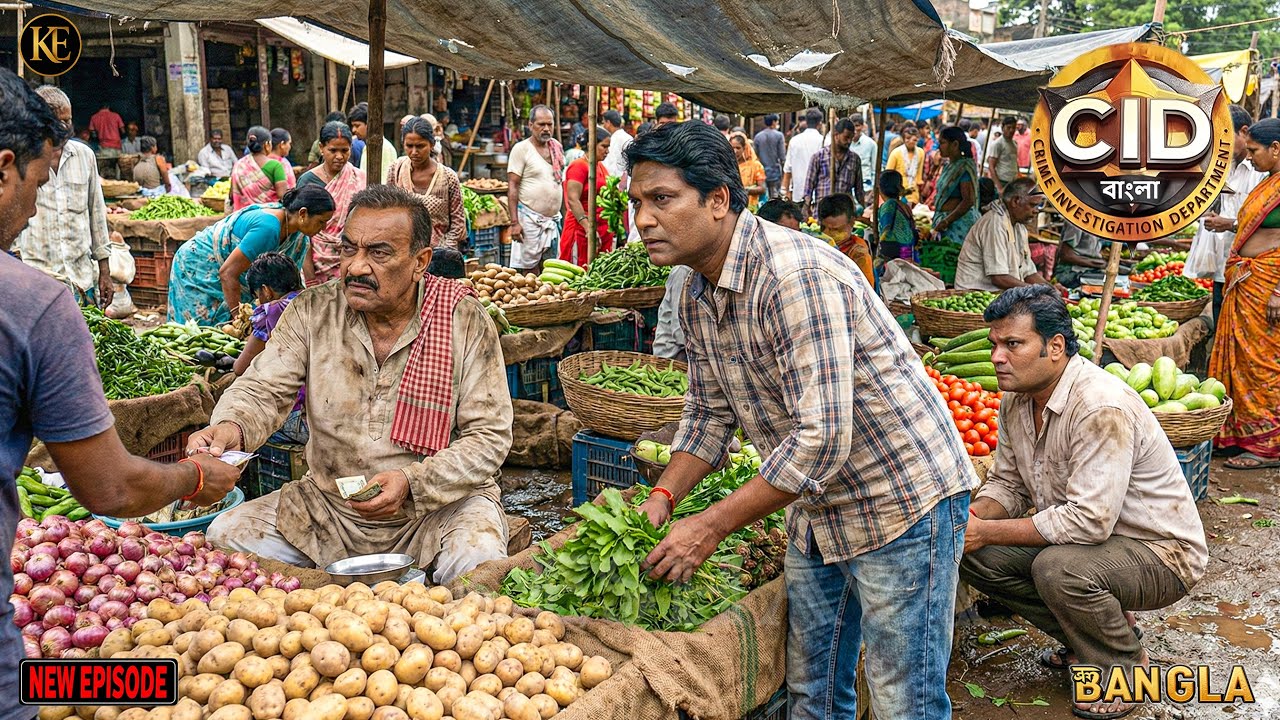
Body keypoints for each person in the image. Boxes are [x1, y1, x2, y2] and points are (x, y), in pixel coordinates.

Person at [628, 121, 977, 720]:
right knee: (812, 690)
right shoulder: (693, 287)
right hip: (815, 505)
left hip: (899, 498)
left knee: (904, 699)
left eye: (662, 199)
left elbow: (821, 441)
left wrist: (709, 527)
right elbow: (709, 415)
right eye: (638, 202)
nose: (643, 219)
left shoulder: (793, 277)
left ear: (717, 200)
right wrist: (663, 493)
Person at [0, 67, 238, 720]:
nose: (36, 208)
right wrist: (193, 476)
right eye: (37, 185)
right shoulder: (32, 305)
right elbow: (110, 490)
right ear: (3, 170)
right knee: (136, 686)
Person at [198, 185, 514, 584]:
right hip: (328, 508)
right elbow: (262, 388)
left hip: (436, 509)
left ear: (421, 262)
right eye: (349, 250)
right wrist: (230, 428)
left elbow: (489, 437)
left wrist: (413, 482)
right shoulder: (312, 311)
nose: (357, 267)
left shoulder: (462, 320)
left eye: (378, 253)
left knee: (477, 564)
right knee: (224, 536)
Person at [962, 285, 1206, 720]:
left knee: (1056, 569)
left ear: (1055, 347)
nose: (998, 356)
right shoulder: (1017, 400)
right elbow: (1009, 484)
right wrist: (971, 522)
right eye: (994, 344)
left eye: (1013, 344)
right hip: (1096, 546)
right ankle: (1089, 640)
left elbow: (1088, 522)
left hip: (1160, 553)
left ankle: (1124, 670)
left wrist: (986, 531)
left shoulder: (1098, 405)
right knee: (975, 556)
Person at [1209, 117, 1280, 470]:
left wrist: (1279, 291)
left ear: (1276, 149)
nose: (1249, 158)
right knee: (1242, 363)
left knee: (1262, 366)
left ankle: (1267, 445)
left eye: (1254, 151)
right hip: (1248, 281)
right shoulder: (1270, 182)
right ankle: (1238, 435)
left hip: (1269, 286)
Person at [168, 185, 334, 325]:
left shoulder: (298, 236)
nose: (324, 227)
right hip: (198, 266)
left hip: (227, 270)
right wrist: (239, 320)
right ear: (303, 214)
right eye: (321, 221)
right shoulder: (268, 229)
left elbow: (289, 283)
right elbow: (228, 273)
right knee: (198, 327)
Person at [13, 86, 113, 307]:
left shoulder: (84, 156)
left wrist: (104, 272)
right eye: (56, 121)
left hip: (81, 277)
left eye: (68, 120)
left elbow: (96, 214)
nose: (64, 127)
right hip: (36, 279)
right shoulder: (20, 160)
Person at [1188, 105, 1268, 318]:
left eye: (1225, 135)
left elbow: (1264, 223)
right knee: (1220, 322)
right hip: (1223, 266)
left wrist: (1229, 224)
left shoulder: (1262, 172)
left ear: (1243, 132)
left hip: (1251, 270)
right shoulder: (1222, 167)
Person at [233, 252, 309, 446]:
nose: (259, 300)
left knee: (249, 430)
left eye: (257, 295)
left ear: (266, 291)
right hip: (341, 414)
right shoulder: (317, 301)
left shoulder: (272, 311)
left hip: (306, 421)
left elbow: (240, 368)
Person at [298, 121, 368, 284]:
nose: (339, 156)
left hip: (353, 258)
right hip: (317, 261)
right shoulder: (308, 181)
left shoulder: (359, 178)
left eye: (344, 150)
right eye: (333, 150)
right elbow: (302, 233)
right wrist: (310, 277)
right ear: (321, 148)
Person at [954, 178, 1054, 291]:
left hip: (997, 295)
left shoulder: (1019, 228)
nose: (1036, 211)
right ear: (1015, 201)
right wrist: (1038, 291)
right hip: (974, 294)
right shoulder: (995, 223)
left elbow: (1028, 273)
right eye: (1032, 205)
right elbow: (999, 278)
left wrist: (1051, 289)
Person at [386, 117, 467, 250]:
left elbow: (458, 222)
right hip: (402, 251)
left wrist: (443, 249)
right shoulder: (396, 170)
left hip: (439, 253)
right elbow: (388, 211)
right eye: (409, 146)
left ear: (431, 144)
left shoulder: (448, 177)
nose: (414, 152)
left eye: (420, 146)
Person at [507, 105, 565, 273]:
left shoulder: (556, 148)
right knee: (529, 271)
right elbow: (513, 186)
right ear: (530, 125)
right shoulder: (521, 149)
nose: (546, 128)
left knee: (552, 270)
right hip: (529, 220)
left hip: (552, 220)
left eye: (550, 124)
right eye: (541, 124)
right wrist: (514, 223)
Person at [560, 126, 619, 266]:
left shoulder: (600, 166)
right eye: (604, 146)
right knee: (580, 269)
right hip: (581, 229)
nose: (607, 151)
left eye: (608, 147)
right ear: (591, 144)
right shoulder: (578, 166)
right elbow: (573, 199)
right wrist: (588, 228)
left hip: (601, 228)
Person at [803, 118, 864, 216]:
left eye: (851, 138)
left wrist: (862, 208)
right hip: (822, 213)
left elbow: (859, 190)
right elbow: (808, 187)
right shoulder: (819, 157)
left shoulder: (855, 159)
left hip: (844, 213)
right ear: (836, 135)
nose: (849, 141)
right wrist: (806, 207)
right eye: (846, 137)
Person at [931, 125, 981, 247]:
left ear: (955, 144)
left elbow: (968, 200)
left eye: (942, 143)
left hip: (958, 224)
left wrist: (947, 221)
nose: (939, 147)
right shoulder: (949, 166)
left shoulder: (964, 167)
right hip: (945, 222)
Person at [229, 126, 288, 211]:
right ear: (267, 145)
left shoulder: (239, 165)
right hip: (268, 216)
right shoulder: (276, 166)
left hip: (243, 217)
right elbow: (283, 196)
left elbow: (231, 195)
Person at [817, 193, 873, 281]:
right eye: (824, 228)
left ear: (852, 222)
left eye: (836, 230)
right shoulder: (816, 244)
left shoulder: (859, 254)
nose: (828, 234)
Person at [876, 170, 918, 266]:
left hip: (894, 251)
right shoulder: (904, 205)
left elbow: (886, 230)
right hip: (907, 249)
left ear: (881, 189)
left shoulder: (888, 206)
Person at [782, 108, 824, 203]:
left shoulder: (794, 141)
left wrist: (786, 192)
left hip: (798, 191)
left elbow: (788, 169)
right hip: (817, 192)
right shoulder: (822, 141)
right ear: (820, 124)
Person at [348, 102, 398, 181]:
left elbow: (384, 180)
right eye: (353, 126)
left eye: (357, 126)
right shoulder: (365, 147)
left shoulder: (384, 148)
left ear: (369, 124)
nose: (353, 130)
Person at [886, 126, 925, 204]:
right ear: (903, 139)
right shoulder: (896, 153)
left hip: (914, 193)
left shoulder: (921, 153)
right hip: (898, 192)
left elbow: (919, 176)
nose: (910, 141)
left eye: (914, 139)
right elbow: (887, 174)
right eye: (907, 138)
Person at [731, 131, 766, 211]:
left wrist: (744, 190)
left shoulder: (755, 165)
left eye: (738, 148)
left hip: (751, 207)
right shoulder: (727, 164)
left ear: (744, 148)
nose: (735, 151)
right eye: (732, 148)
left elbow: (762, 188)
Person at [753, 114, 786, 200]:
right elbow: (782, 156)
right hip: (775, 171)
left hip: (761, 171)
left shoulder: (758, 137)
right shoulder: (779, 135)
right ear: (774, 122)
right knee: (774, 196)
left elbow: (755, 155)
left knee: (763, 196)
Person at [987, 116, 1020, 194]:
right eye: (1008, 127)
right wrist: (999, 187)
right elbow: (991, 167)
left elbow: (1014, 161)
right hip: (1002, 181)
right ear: (1002, 127)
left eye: (1013, 128)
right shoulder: (998, 144)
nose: (1011, 130)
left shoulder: (1014, 143)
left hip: (1013, 182)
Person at [848, 115, 877, 198]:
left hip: (866, 189)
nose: (854, 129)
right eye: (852, 126)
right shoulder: (845, 144)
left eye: (857, 126)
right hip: (848, 189)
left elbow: (875, 169)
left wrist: (872, 190)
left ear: (863, 126)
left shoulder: (871, 144)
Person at [602, 110, 633, 178]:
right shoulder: (628, 138)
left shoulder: (612, 139)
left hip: (617, 179)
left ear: (608, 122)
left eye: (603, 122)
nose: (603, 125)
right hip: (620, 179)